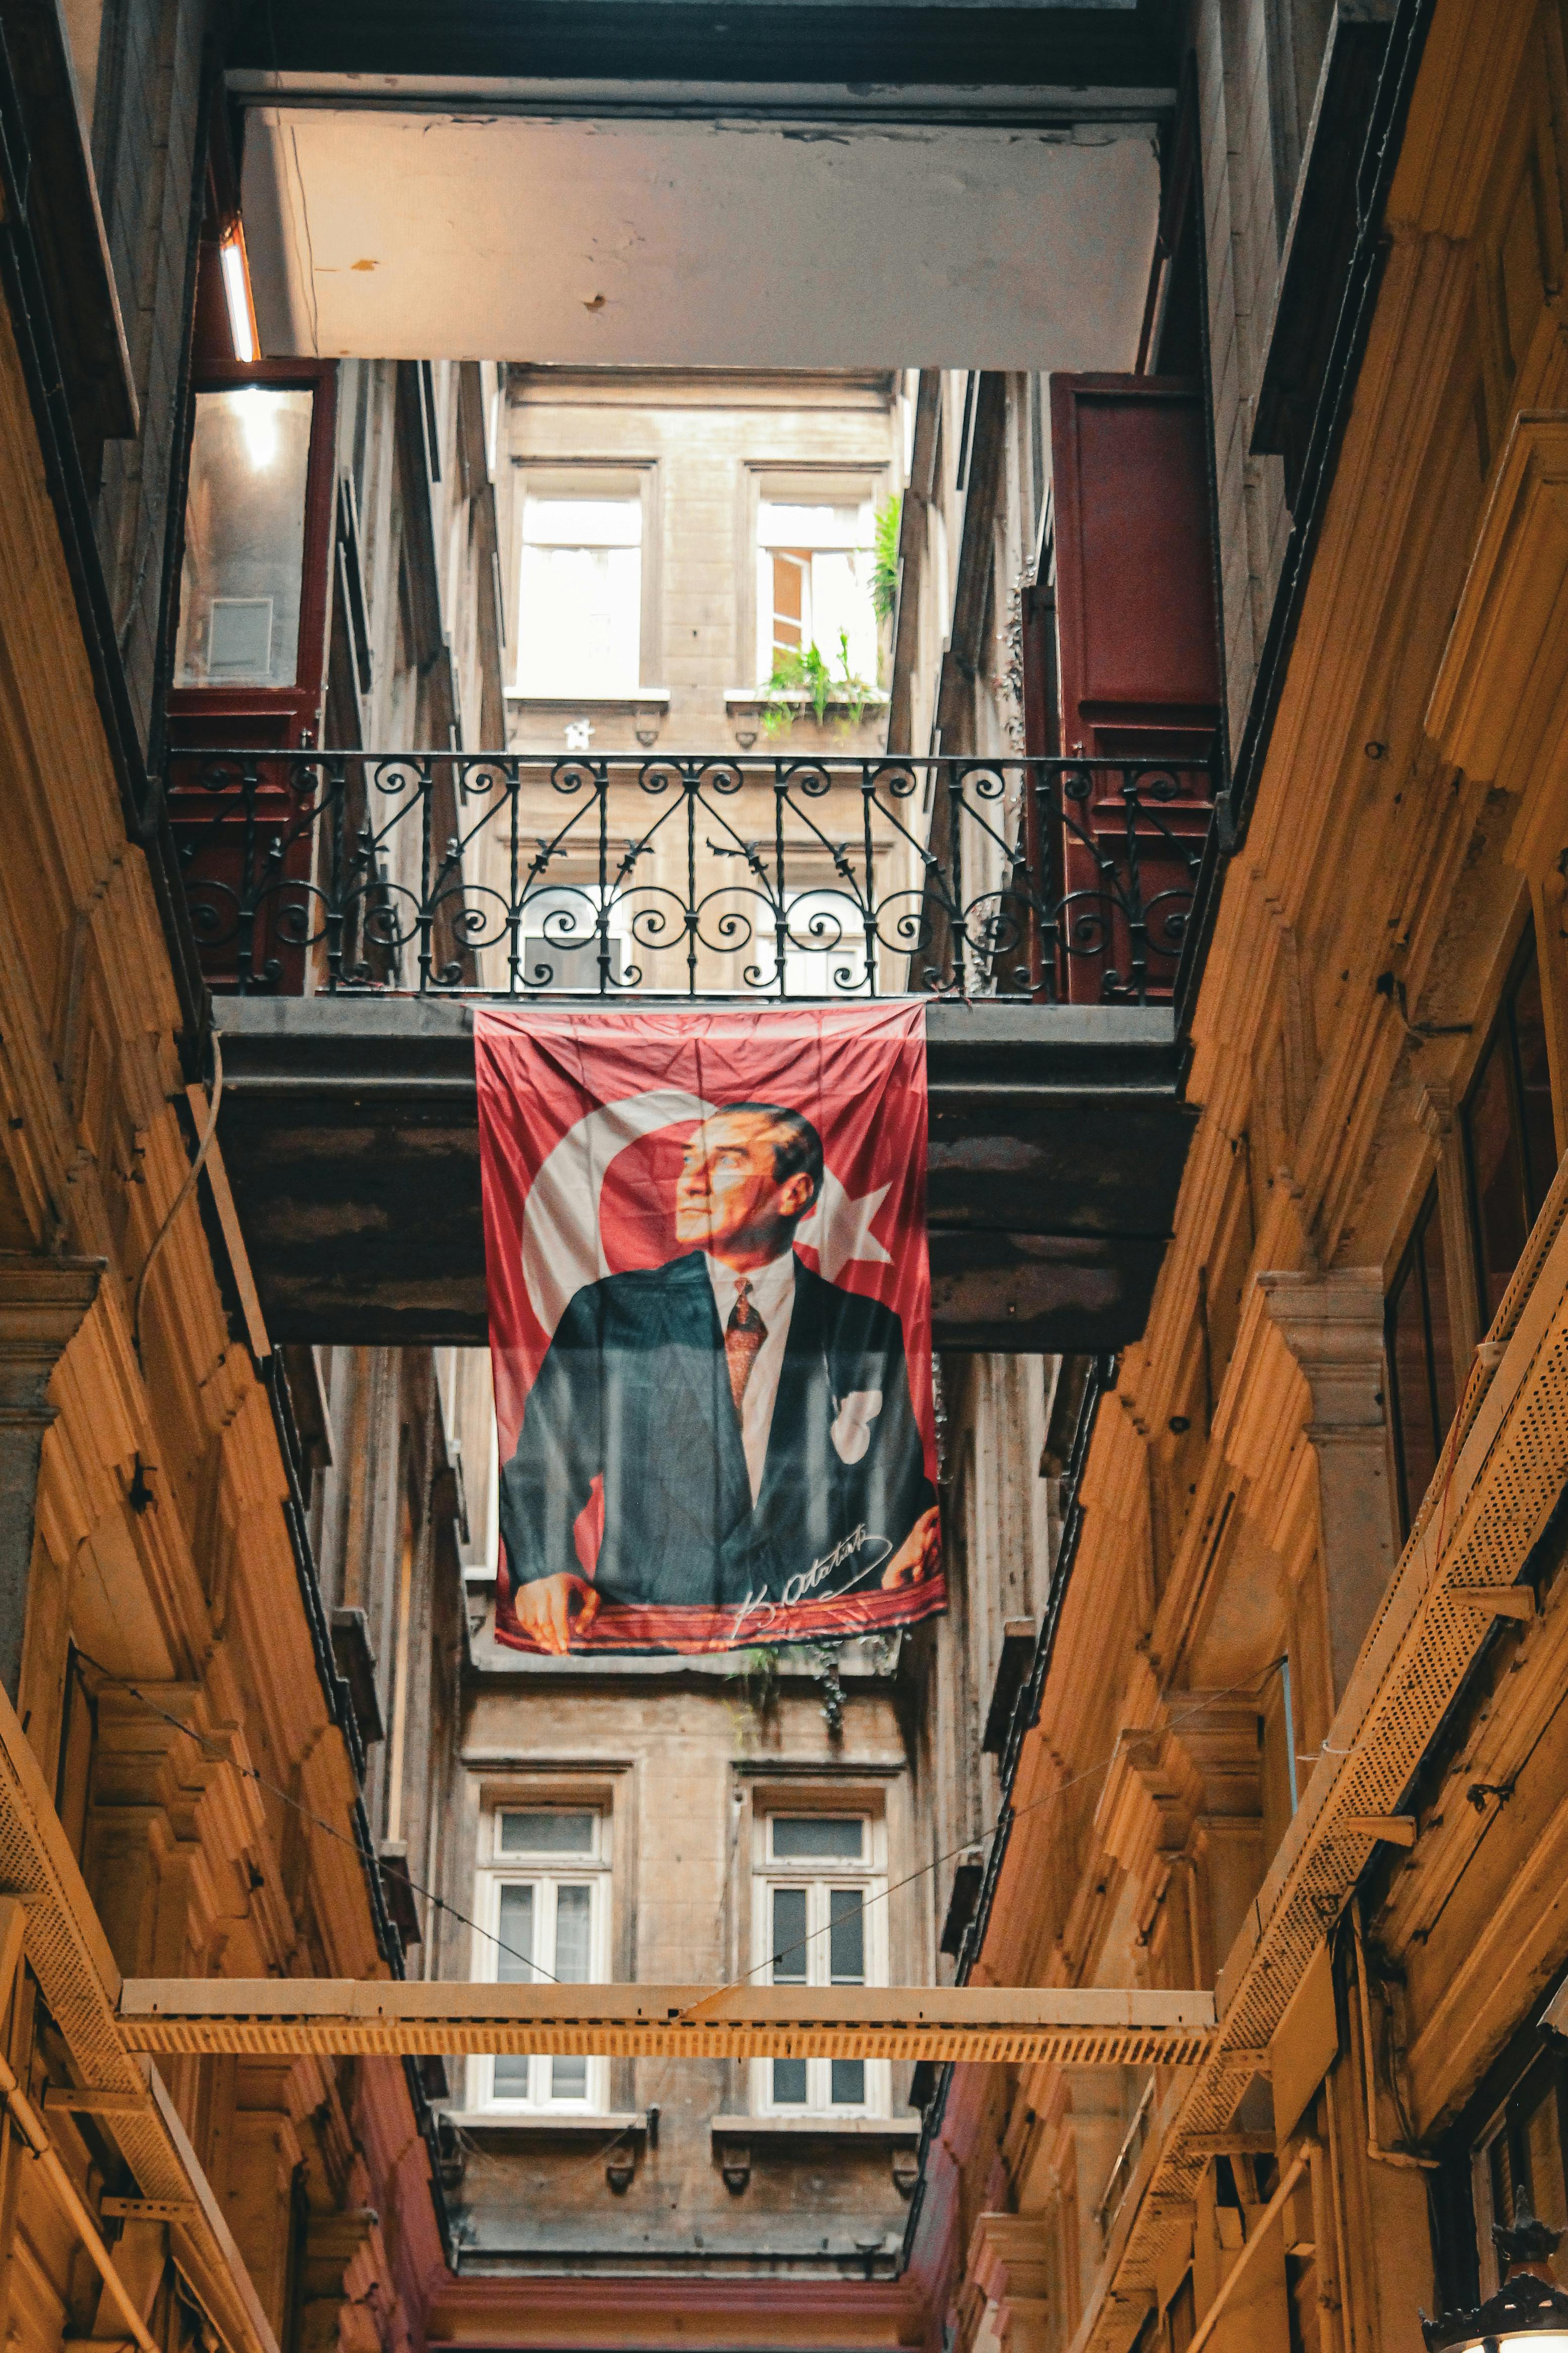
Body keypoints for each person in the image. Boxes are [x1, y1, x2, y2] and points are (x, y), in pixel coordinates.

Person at [499, 1102, 941, 1652]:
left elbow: (890, 1478)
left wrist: (909, 1538)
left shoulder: (863, 1326)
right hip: (645, 1640)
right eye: (689, 1162)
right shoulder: (612, 1312)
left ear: (794, 1193)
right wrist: (542, 1568)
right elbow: (544, 1466)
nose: (690, 1183)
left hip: (804, 1639)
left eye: (726, 1161)